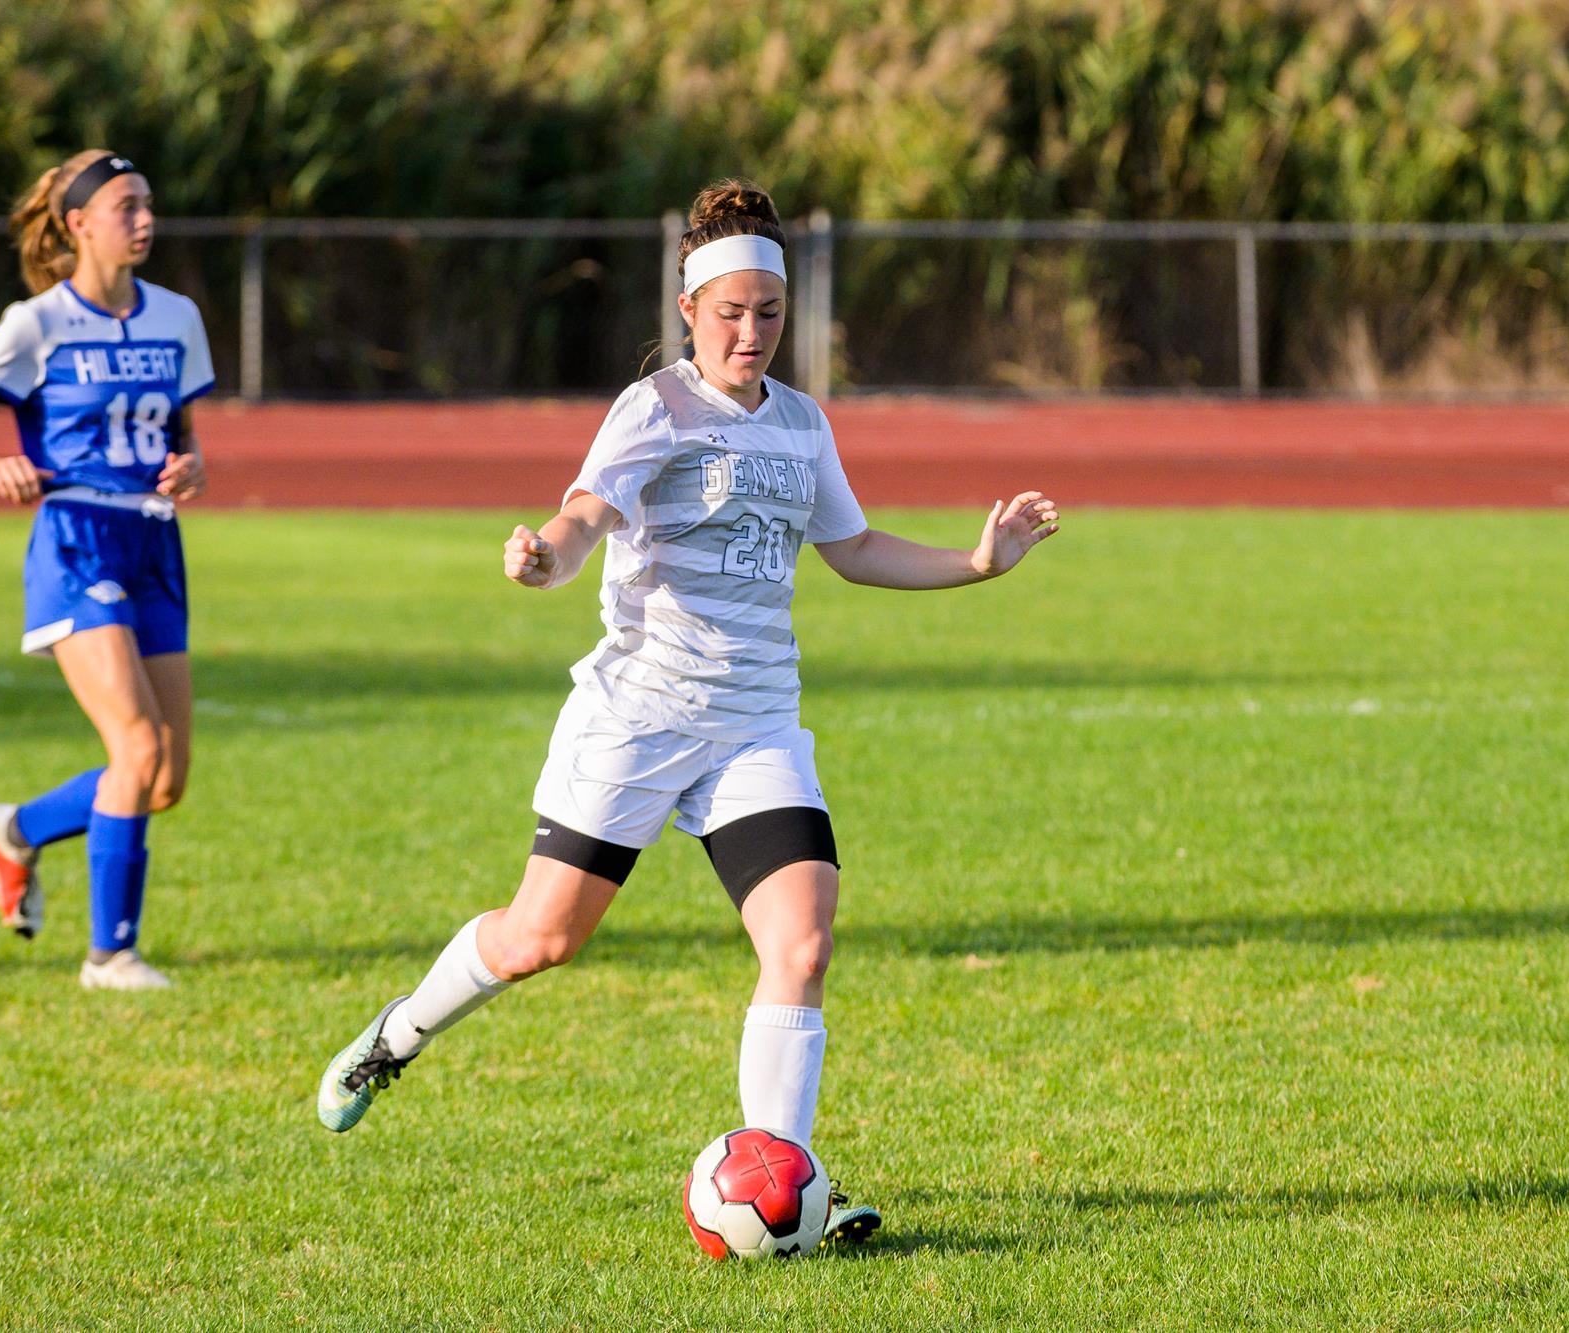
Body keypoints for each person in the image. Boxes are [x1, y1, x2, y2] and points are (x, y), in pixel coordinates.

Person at [314, 179, 1059, 1244]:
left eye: (767, 312)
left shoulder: (801, 424)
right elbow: (584, 515)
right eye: (728, 312)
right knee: (540, 939)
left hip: (754, 724)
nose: (749, 332)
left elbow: (848, 550)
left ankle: (785, 1182)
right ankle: (396, 1033)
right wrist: (544, 561)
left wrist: (979, 562)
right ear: (687, 310)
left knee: (798, 946)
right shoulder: (653, 408)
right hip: (638, 716)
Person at [0, 150, 214, 990]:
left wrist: (190, 466)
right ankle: (109, 954)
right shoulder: (35, 324)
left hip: (155, 542)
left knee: (164, 780)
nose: (145, 219)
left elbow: (182, 434)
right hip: (77, 537)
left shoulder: (178, 316)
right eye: (126, 207)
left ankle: (15, 828)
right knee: (135, 743)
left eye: (149, 204)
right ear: (78, 223)